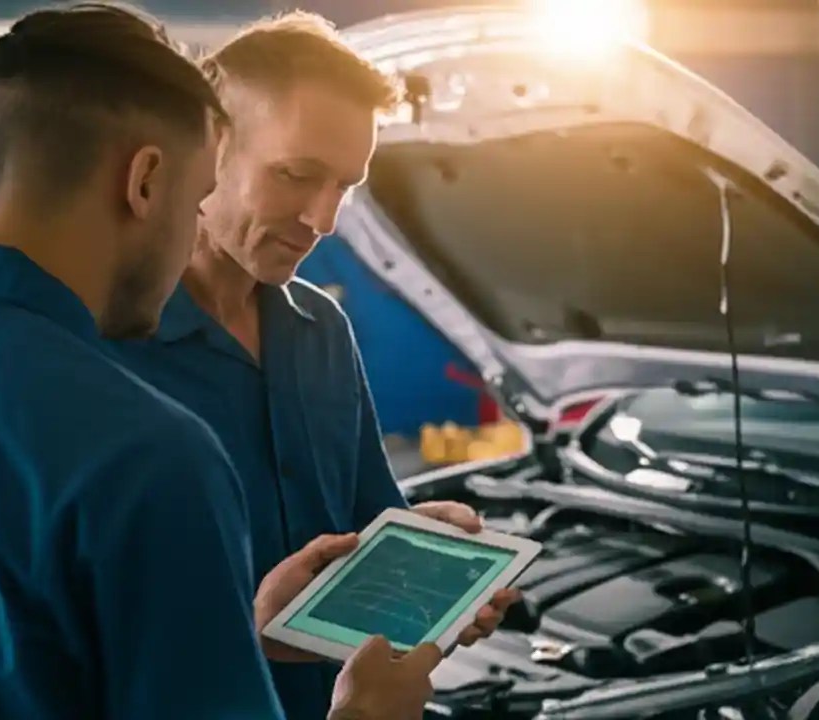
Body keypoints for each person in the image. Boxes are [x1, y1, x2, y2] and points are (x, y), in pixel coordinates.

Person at [0, 4, 438, 719]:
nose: (322, 219)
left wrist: (251, 628)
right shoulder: (141, 441)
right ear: (146, 181)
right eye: (196, 196)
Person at [108, 11, 521, 719]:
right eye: (297, 175)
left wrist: (425, 566)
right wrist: (249, 628)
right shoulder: (105, 346)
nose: (323, 220)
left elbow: (364, 522)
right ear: (208, 146)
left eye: (346, 185)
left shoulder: (323, 329)